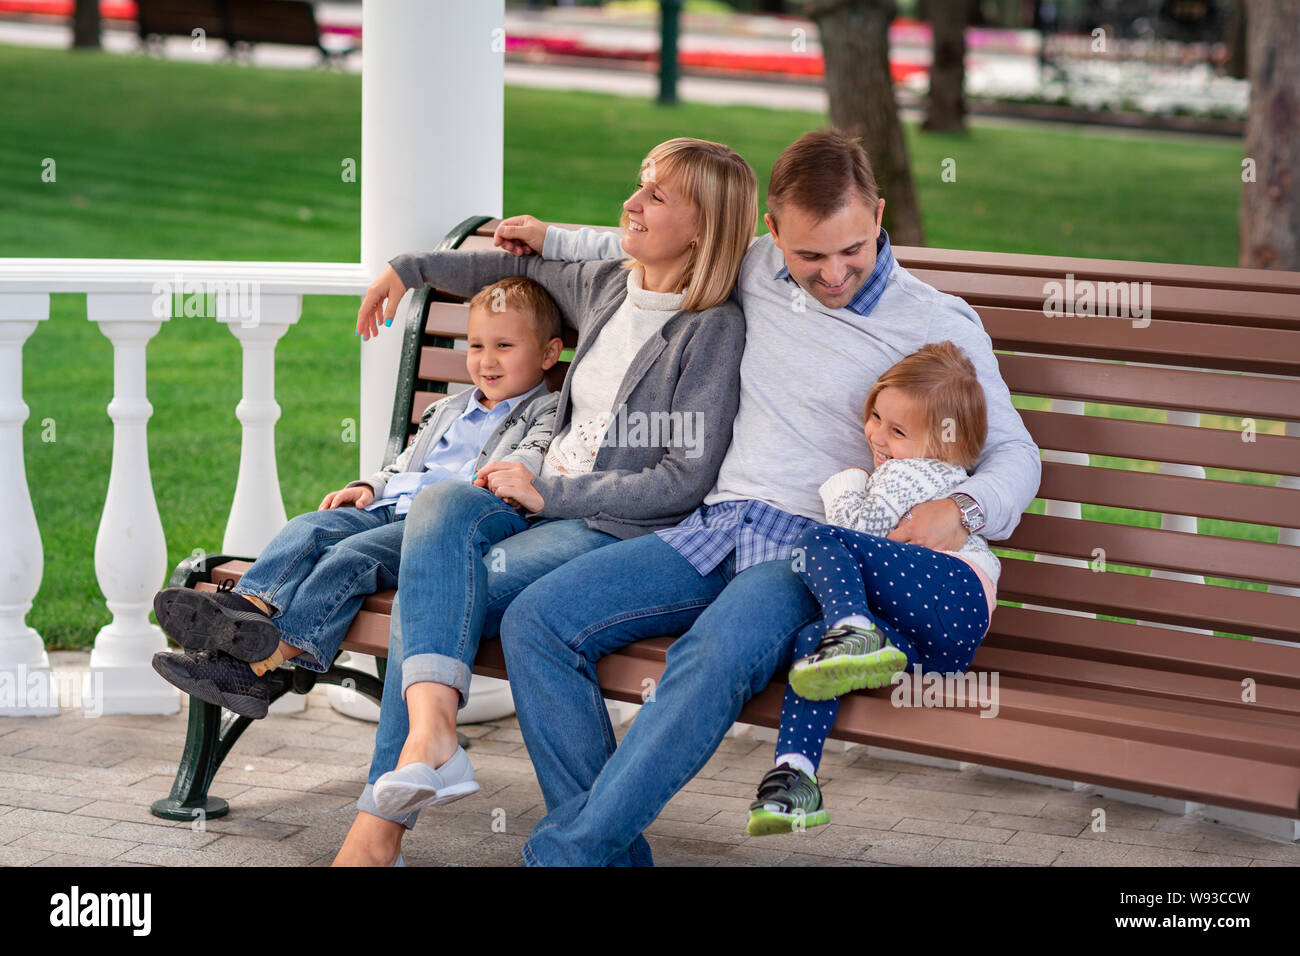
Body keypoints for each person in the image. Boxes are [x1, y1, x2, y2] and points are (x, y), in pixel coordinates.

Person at [498, 128, 1041, 866]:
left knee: (712, 655)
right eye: (809, 255)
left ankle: (566, 853)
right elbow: (662, 239)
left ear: (879, 215)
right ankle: (601, 854)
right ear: (771, 230)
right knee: (538, 621)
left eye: (852, 249)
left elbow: (1013, 451)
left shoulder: (935, 322)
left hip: (808, 556)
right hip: (713, 524)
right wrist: (547, 235)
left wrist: (965, 509)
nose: (834, 273)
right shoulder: (753, 269)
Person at [332, 137, 758, 866]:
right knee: (440, 511)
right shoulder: (610, 286)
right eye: (639, 184)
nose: (633, 201)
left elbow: (681, 479)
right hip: (533, 500)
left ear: (705, 226)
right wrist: (411, 269)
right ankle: (431, 740)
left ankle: (381, 831)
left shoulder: (710, 328)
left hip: (611, 525)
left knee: (432, 599)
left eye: (658, 195)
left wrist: (550, 490)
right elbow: (509, 266)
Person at [149, 276, 565, 719]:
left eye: (504, 346)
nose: (486, 361)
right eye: (476, 346)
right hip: (388, 508)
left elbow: (525, 464)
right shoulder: (448, 409)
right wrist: (370, 487)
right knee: (309, 527)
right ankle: (245, 610)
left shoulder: (546, 410)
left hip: (436, 528)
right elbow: (403, 464)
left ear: (548, 353)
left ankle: (257, 665)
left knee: (350, 557)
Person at [746, 341, 1001, 836]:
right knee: (814, 649)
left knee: (821, 538)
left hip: (953, 590)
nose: (877, 435)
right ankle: (794, 778)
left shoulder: (908, 473)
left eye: (898, 430)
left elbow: (860, 532)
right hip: (935, 641)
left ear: (945, 442)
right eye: (877, 417)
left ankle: (852, 628)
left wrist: (844, 485)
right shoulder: (920, 467)